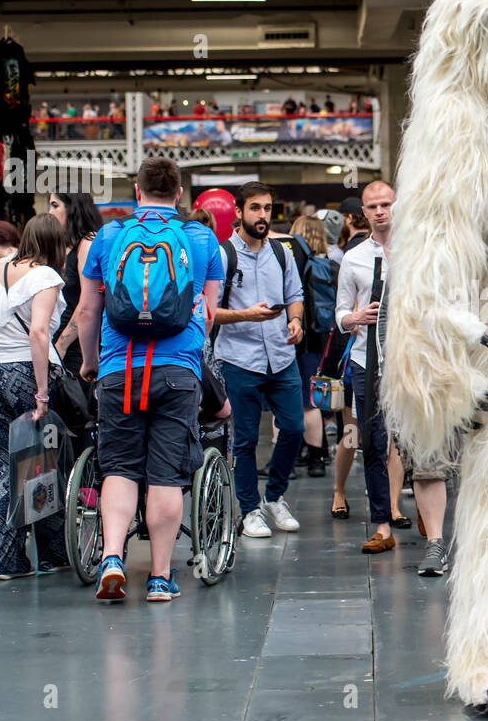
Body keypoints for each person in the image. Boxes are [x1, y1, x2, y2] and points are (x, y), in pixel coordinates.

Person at [77, 156, 224, 603]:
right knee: (164, 475)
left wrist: (89, 363)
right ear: (178, 194)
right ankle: (160, 578)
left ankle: (113, 559)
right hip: (178, 372)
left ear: (136, 192)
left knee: (119, 468)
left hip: (118, 370)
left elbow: (87, 311)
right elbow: (210, 315)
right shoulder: (202, 240)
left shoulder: (110, 236)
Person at [0, 214, 72, 580]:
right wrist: (42, 390)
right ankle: (51, 554)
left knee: (2, 470)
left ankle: (7, 560)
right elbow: (38, 333)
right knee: (40, 465)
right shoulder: (46, 276)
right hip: (26, 372)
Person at [213, 181, 305, 538]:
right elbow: (208, 312)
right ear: (239, 212)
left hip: (282, 355)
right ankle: (250, 508)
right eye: (255, 208)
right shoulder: (223, 255)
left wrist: (295, 320)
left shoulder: (282, 253)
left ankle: (274, 496)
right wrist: (245, 315)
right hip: (240, 358)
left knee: (295, 427)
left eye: (267, 208)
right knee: (246, 439)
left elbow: (295, 295)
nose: (263, 215)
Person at [335, 181, 397, 553]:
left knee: (415, 442)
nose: (380, 211)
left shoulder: (417, 251)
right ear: (364, 212)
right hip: (365, 359)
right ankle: (382, 524)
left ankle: (428, 520)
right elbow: (340, 312)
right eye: (373, 206)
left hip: (408, 360)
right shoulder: (354, 257)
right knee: (372, 442)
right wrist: (354, 317)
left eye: (386, 204)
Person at [289, 214, 337, 478]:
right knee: (314, 398)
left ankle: (307, 454)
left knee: (302, 402)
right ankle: (318, 455)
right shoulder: (328, 265)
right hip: (323, 339)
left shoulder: (295, 264)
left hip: (300, 339)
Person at [47, 191, 104, 382]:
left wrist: (62, 344)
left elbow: (88, 300)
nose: (50, 212)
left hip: (79, 346)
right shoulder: (63, 245)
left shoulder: (87, 243)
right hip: (57, 340)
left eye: (55, 205)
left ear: (72, 208)